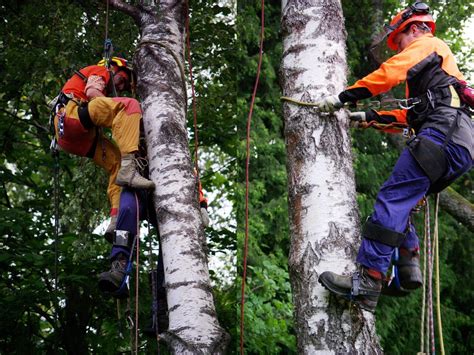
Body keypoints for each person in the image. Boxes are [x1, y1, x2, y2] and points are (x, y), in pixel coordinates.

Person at [316, 2, 473, 312]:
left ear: (413, 29)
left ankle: (367, 281)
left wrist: (343, 97)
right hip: (460, 145)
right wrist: (367, 116)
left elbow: (390, 73)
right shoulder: (440, 79)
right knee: (402, 202)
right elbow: (408, 116)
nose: (397, 50)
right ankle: (407, 267)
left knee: (392, 198)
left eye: (399, 42)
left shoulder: (429, 44)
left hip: (442, 136)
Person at [52, 57, 155, 241]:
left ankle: (115, 220)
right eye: (123, 78)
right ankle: (130, 169)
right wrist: (118, 113)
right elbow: (92, 92)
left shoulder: (107, 84)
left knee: (116, 164)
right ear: (115, 67)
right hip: (72, 116)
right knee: (129, 105)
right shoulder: (102, 70)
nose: (122, 85)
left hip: (74, 138)